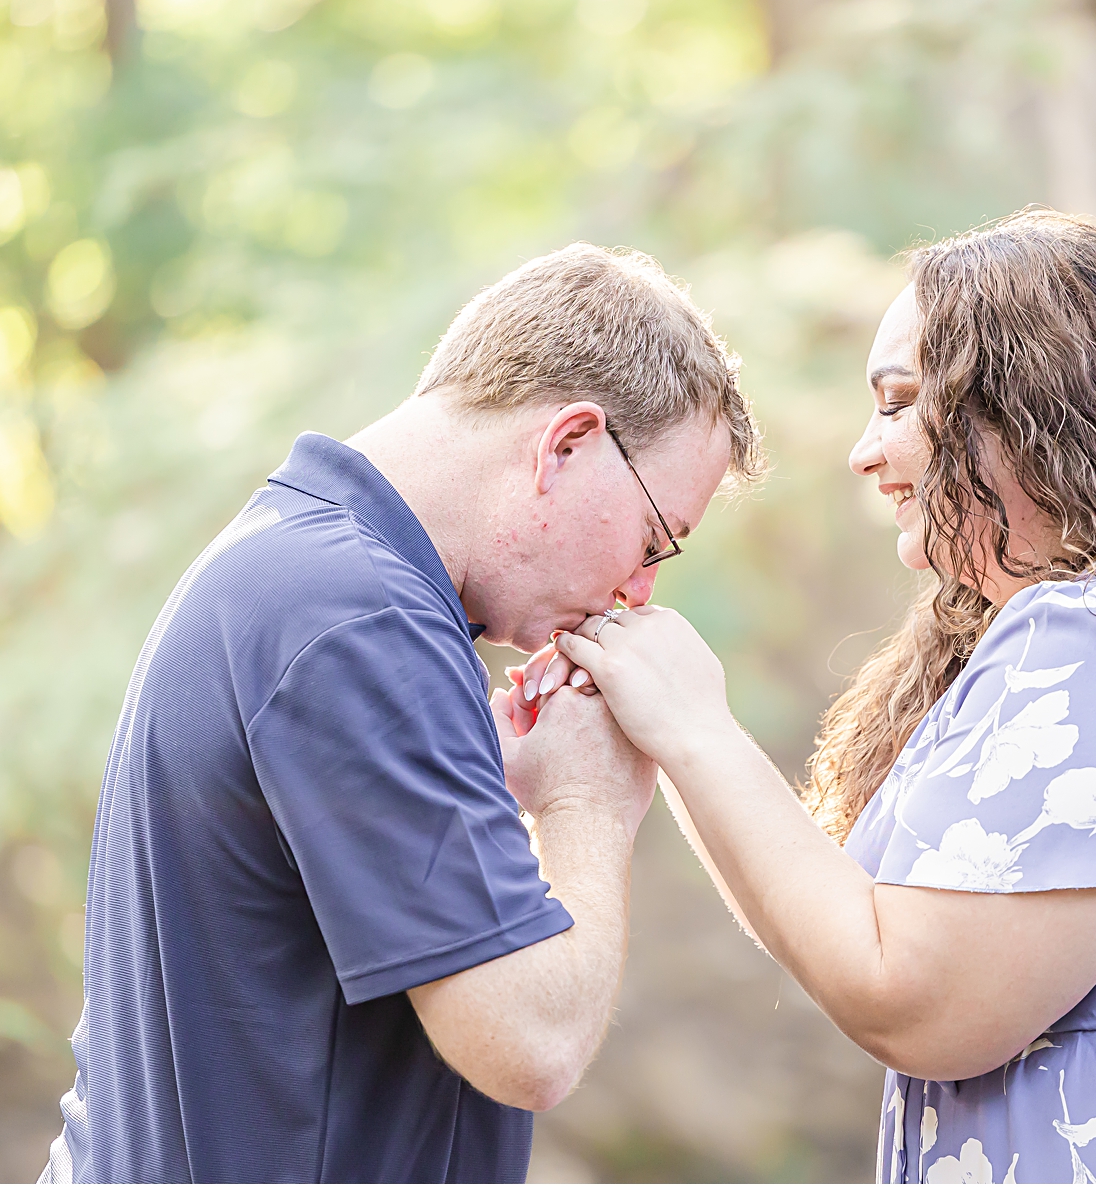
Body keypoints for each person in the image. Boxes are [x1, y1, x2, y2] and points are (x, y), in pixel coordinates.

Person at [530, 209, 1096, 1182]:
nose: (863, 451)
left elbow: (911, 999)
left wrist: (696, 726)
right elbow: (836, 921)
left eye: (899, 400)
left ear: (1031, 414)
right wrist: (670, 733)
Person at [37, 242, 764, 1183]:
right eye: (657, 535)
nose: (638, 588)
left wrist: (491, 792)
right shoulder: (362, 621)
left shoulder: (305, 568)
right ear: (568, 443)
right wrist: (590, 800)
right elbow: (529, 1039)